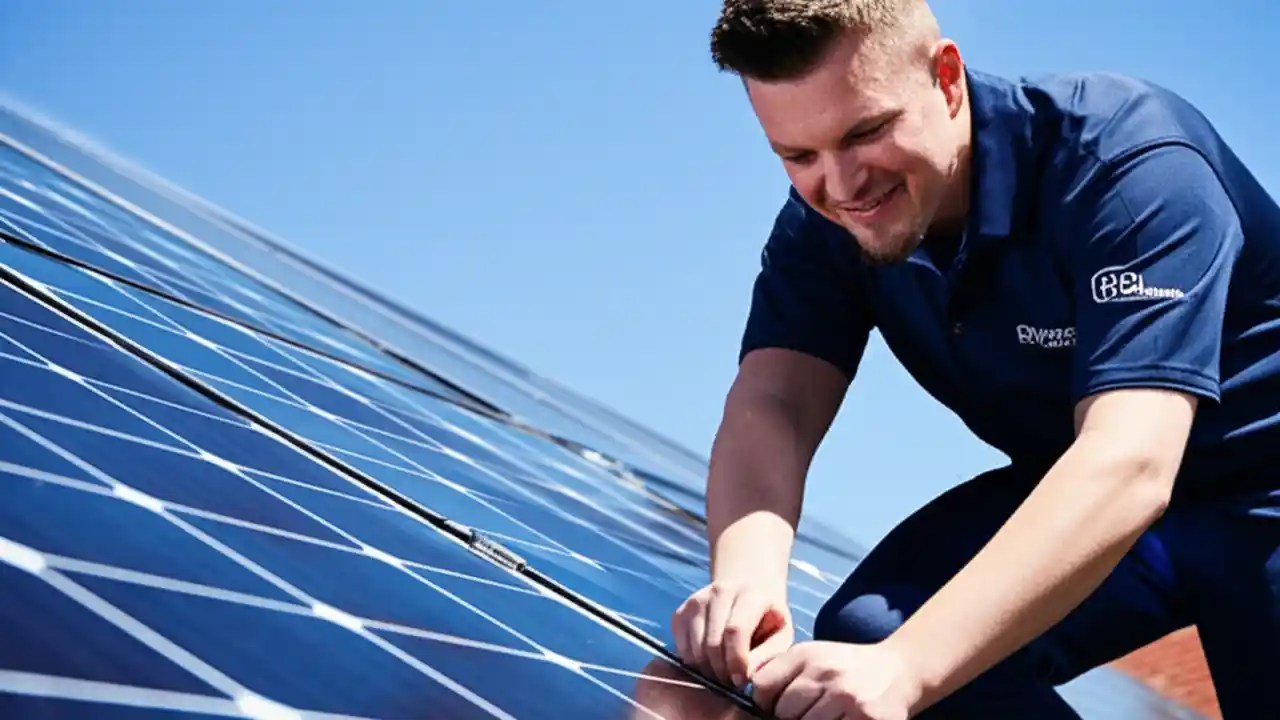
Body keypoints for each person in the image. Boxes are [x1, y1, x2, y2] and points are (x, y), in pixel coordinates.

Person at [669, 1, 1280, 718]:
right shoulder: (828, 221)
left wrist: (909, 670)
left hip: (1248, 494)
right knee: (872, 640)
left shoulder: (1129, 166)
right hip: (1110, 504)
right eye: (797, 156)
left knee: (907, 663)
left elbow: (1131, 463)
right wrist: (745, 580)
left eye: (866, 132)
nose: (840, 186)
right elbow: (777, 399)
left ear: (948, 79)